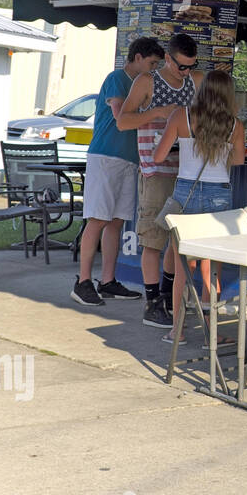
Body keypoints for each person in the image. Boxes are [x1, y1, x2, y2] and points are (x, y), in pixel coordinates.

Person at [117, 33, 203, 329]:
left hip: (188, 172)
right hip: (155, 171)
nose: (186, 72)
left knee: (179, 241)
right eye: (181, 66)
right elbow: (122, 121)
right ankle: (152, 303)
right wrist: (156, 113)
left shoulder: (197, 81)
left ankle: (168, 297)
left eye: (191, 66)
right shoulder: (148, 82)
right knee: (154, 239)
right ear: (168, 58)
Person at [153, 70, 246, 344]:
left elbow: (159, 156)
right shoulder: (235, 125)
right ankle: (210, 332)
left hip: (185, 192)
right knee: (210, 268)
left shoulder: (181, 116)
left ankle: (177, 330)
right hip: (219, 194)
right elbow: (238, 160)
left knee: (184, 266)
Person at [72, 36, 164, 308]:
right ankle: (83, 281)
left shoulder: (145, 85)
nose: (154, 69)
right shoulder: (117, 78)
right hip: (106, 156)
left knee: (116, 221)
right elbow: (120, 116)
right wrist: (157, 113)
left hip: (129, 159)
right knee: (97, 218)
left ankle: (108, 280)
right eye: (151, 63)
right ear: (137, 58)